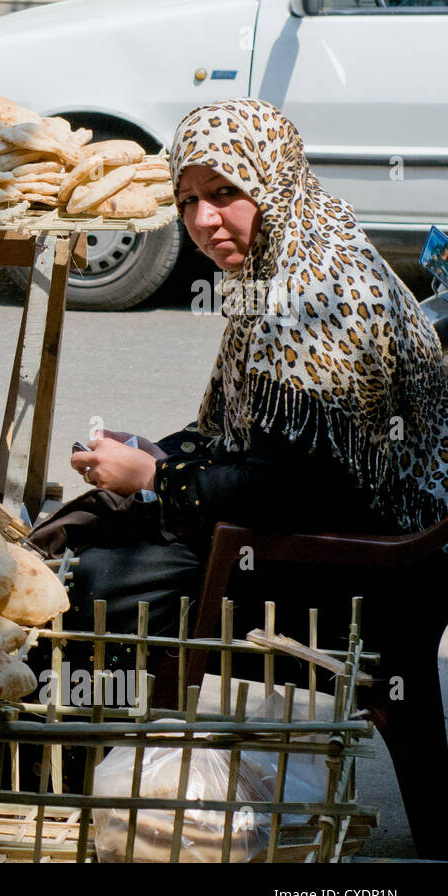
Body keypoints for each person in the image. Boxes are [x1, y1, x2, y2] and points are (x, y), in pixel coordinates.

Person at [28, 98, 448, 657]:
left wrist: (157, 477)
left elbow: (284, 489)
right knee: (79, 531)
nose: (203, 220)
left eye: (225, 192)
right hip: (333, 541)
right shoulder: (303, 250)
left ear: (272, 180)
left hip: (361, 577)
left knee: (78, 590)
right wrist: (165, 456)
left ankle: (39, 743)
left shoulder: (310, 295)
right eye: (187, 201)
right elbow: (266, 443)